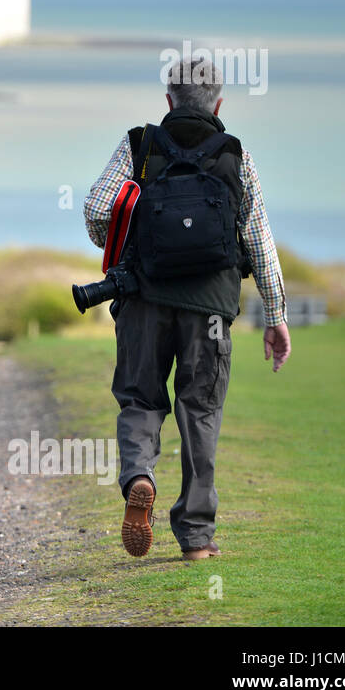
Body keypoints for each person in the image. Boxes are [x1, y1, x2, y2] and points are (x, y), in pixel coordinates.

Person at [84, 56, 292, 561]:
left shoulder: (140, 144)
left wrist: (114, 240)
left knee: (140, 400)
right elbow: (258, 241)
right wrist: (276, 315)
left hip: (143, 301)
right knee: (200, 411)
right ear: (219, 103)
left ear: (168, 100)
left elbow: (96, 209)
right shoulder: (235, 155)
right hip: (213, 313)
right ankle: (197, 539)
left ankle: (139, 477)